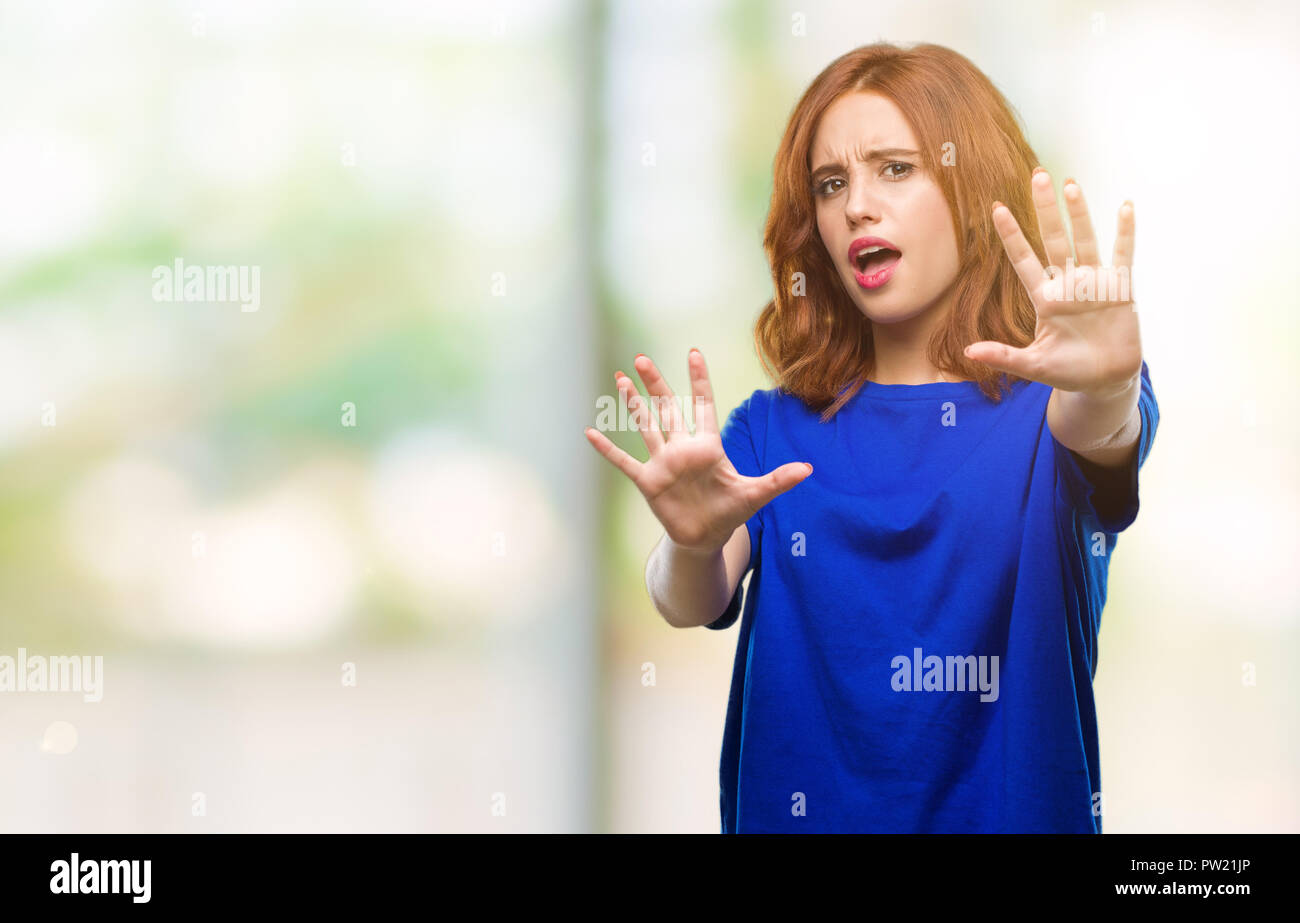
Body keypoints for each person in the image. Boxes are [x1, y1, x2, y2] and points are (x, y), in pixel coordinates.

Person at [583, 41, 1158, 833]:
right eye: (831, 184)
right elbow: (690, 595)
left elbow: (1103, 430)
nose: (856, 205)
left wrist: (1109, 382)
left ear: (972, 188)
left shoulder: (1055, 413)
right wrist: (687, 541)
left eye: (895, 168)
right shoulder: (772, 428)